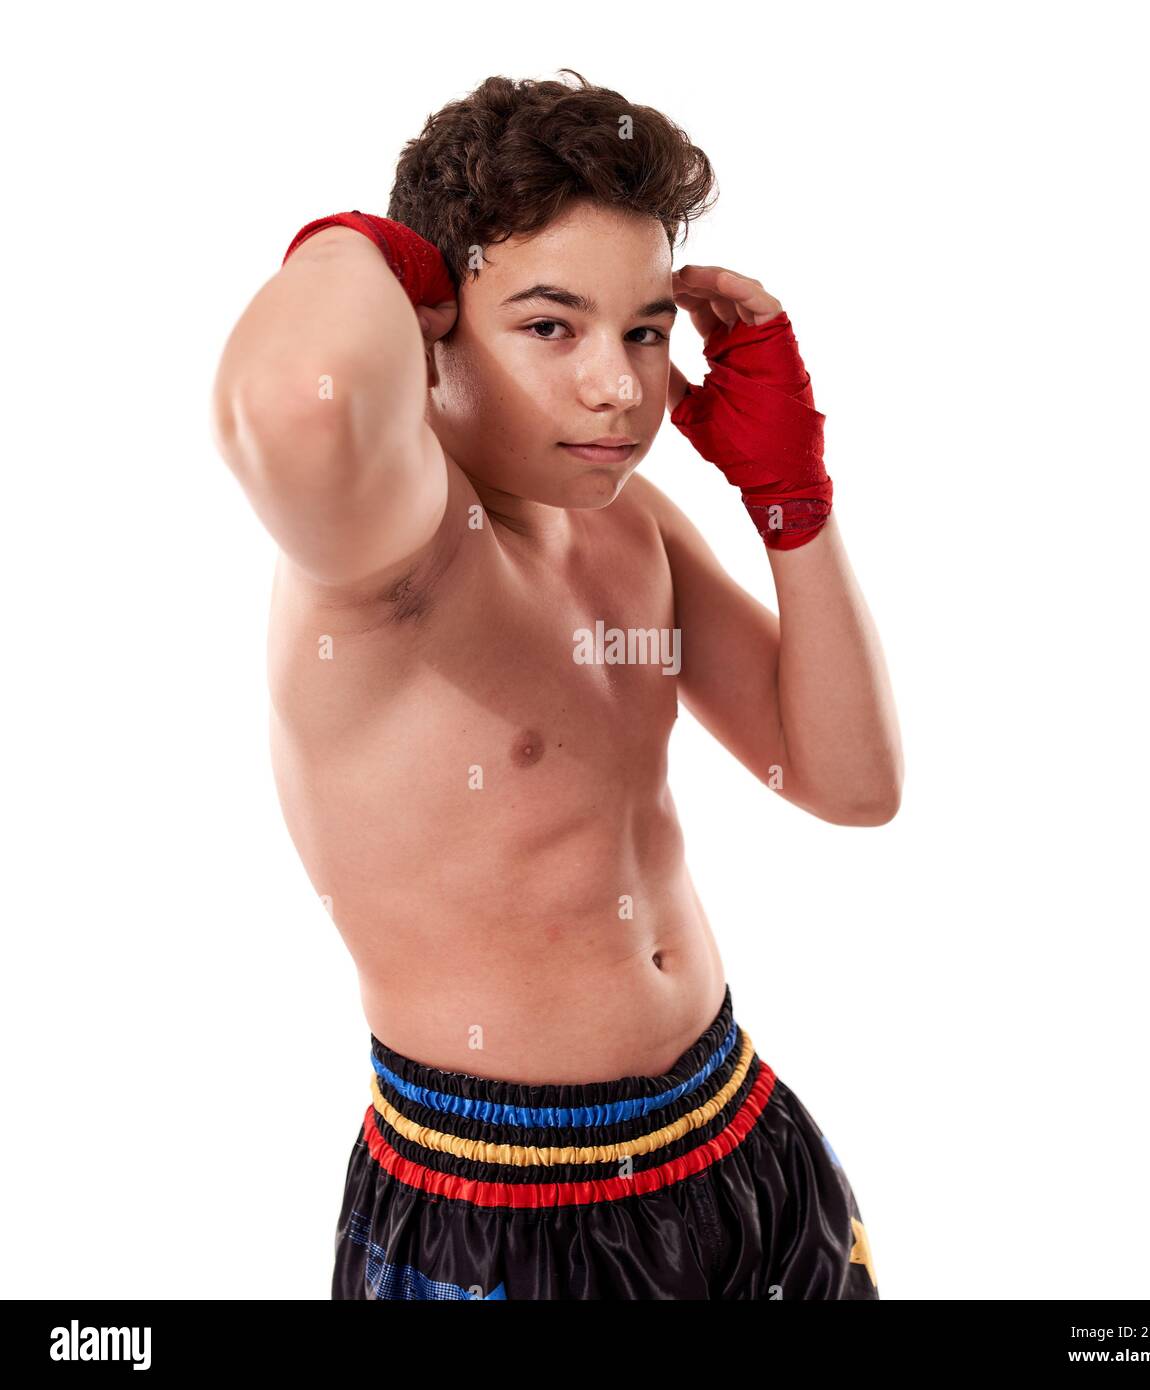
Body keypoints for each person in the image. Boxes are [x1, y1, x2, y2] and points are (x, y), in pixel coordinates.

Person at [210, 68, 901, 1300]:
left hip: (738, 1136)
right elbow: (289, 407)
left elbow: (851, 784)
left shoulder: (633, 526)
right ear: (428, 316)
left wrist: (790, 499)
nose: (619, 387)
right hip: (500, 1215)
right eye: (549, 326)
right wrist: (356, 254)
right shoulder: (382, 564)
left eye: (644, 328)